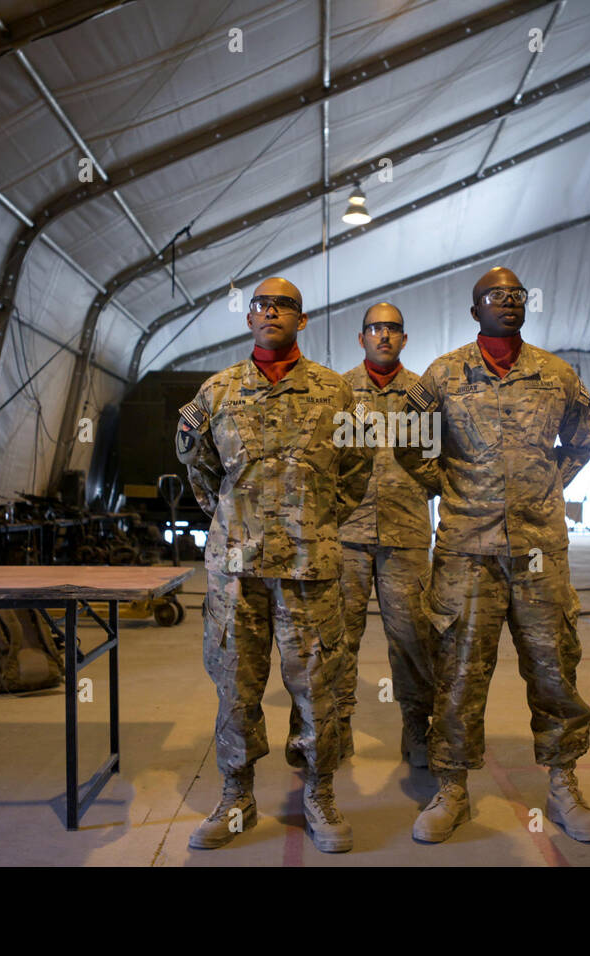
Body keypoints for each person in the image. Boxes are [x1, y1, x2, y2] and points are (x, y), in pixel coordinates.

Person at [395, 265, 590, 844]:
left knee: (555, 667)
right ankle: (453, 789)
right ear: (474, 309)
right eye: (495, 295)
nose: (507, 302)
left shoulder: (557, 374)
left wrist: (544, 484)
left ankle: (564, 786)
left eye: (516, 295)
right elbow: (410, 444)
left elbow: (583, 439)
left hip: (540, 551)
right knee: (460, 672)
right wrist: (453, 487)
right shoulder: (442, 375)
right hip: (468, 550)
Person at [176, 276, 370, 853]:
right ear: (249, 318)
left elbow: (355, 475)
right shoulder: (217, 391)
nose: (272, 313)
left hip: (310, 566)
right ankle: (235, 794)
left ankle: (319, 792)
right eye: (262, 305)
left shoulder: (336, 394)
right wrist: (236, 521)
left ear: (302, 320)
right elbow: (200, 470)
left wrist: (312, 521)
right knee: (236, 683)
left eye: (285, 306)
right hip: (236, 570)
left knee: (317, 685)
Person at [327, 302, 440, 768]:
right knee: (338, 636)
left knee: (413, 638)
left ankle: (416, 728)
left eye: (393, 329)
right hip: (346, 535)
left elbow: (437, 463)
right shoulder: (336, 393)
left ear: (405, 338)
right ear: (361, 338)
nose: (384, 336)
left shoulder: (423, 394)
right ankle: (338, 725)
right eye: (375, 329)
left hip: (406, 534)